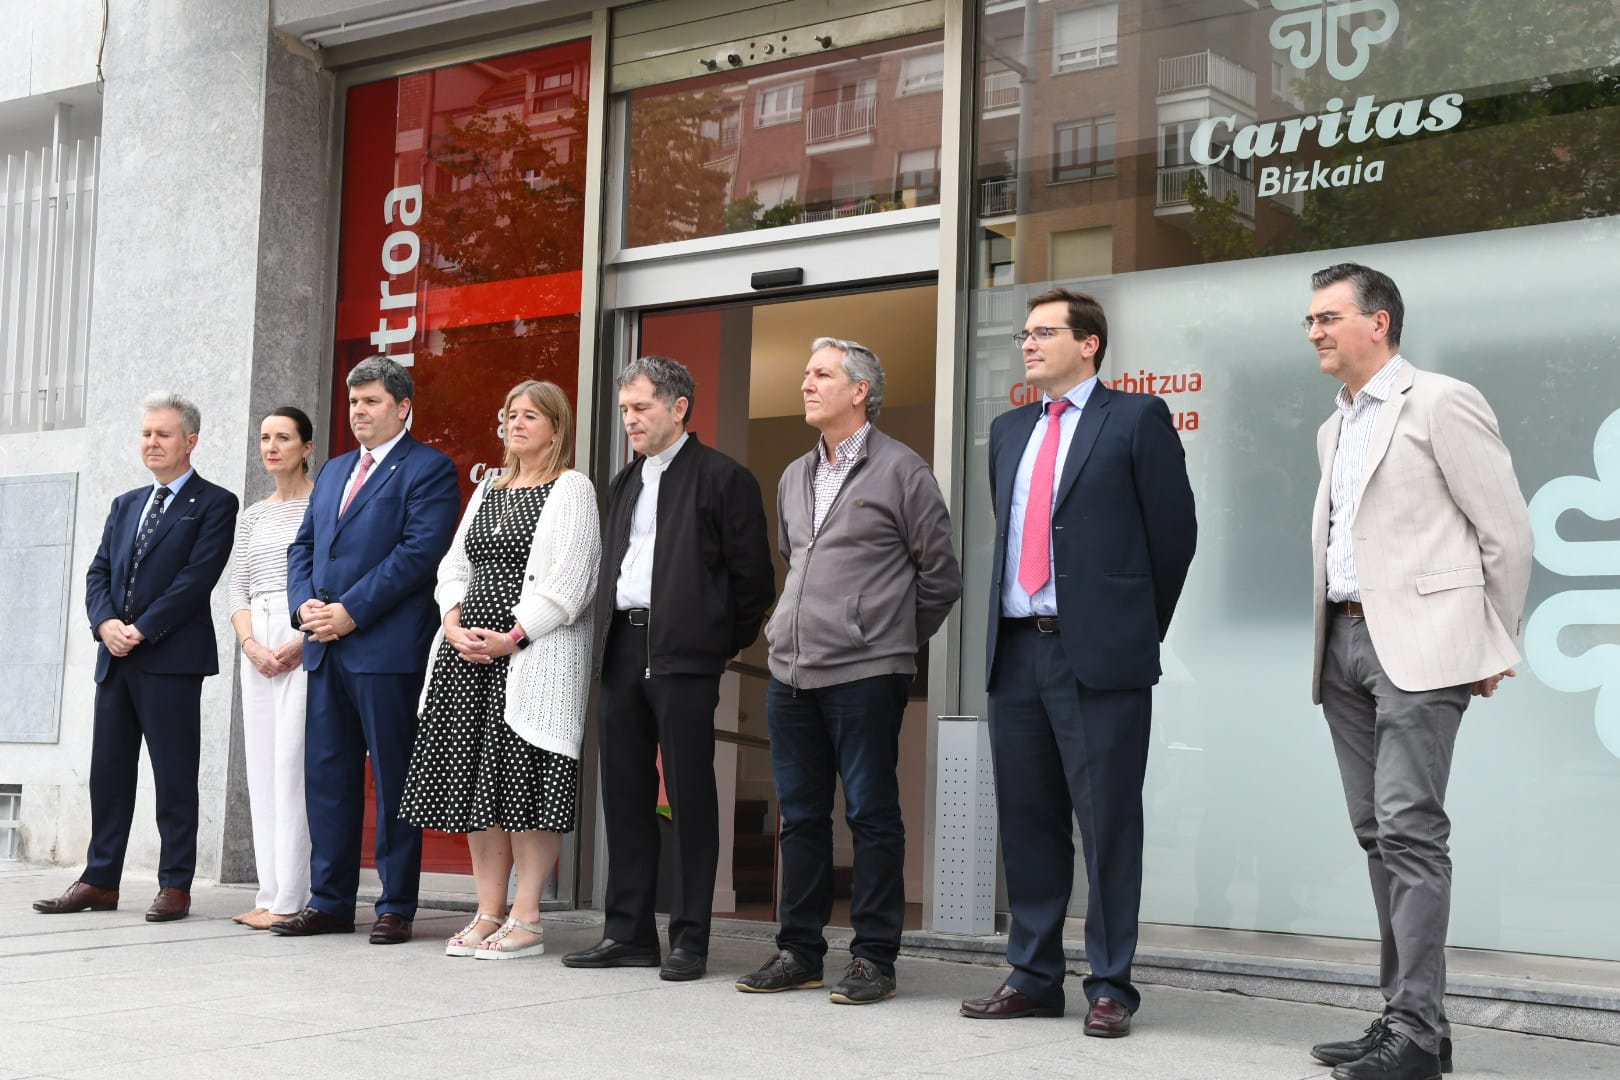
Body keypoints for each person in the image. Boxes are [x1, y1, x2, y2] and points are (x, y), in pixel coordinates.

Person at [1302, 263, 1532, 1080]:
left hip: (1422, 649)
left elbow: (1506, 531)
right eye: (1311, 320)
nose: (1315, 332)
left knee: (1410, 833)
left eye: (1329, 317)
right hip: (1344, 647)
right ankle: (1408, 1020)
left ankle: (1418, 1037)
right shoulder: (1335, 426)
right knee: (1377, 835)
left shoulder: (1440, 401)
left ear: (1380, 322)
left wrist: (1488, 641)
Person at [960, 289, 1196, 1036]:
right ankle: (1033, 974)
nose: (1027, 344)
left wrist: (1129, 629)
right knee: (1028, 820)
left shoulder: (1135, 419)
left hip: (1098, 656)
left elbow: (1174, 537)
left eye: (1044, 333)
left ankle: (1111, 985)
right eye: (1025, 334)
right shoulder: (1006, 431)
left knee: (1107, 823)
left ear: (1089, 343)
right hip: (1018, 650)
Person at [737, 338, 961, 1005]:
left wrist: (885, 639)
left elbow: (940, 576)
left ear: (860, 389)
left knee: (870, 813)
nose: (806, 383)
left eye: (822, 374)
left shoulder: (903, 470)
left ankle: (874, 958)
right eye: (805, 372)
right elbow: (793, 560)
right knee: (801, 817)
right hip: (791, 672)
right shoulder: (794, 475)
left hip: (866, 672)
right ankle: (799, 951)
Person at [562, 356, 774, 982]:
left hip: (683, 654)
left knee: (687, 795)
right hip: (621, 648)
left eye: (641, 407)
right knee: (624, 795)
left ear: (679, 407)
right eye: (625, 409)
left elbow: (753, 582)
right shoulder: (623, 481)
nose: (629, 419)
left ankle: (690, 938)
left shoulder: (723, 478)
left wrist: (712, 642)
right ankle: (627, 933)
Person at [400, 380, 600, 960]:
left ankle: (528, 918)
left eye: (530, 416)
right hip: (466, 657)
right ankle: (488, 912)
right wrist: (454, 621)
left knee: (525, 785)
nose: (515, 424)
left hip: (529, 659)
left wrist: (514, 637)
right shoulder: (489, 485)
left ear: (556, 428)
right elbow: (453, 568)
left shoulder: (571, 488)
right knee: (473, 789)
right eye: (509, 414)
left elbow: (574, 579)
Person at [274, 356, 459, 945]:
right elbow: (303, 547)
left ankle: (397, 904)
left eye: (372, 401)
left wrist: (351, 611)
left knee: (396, 778)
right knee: (327, 777)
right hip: (324, 647)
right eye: (354, 402)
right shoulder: (330, 471)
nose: (359, 412)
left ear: (402, 407)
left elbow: (418, 553)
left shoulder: (429, 469)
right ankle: (329, 901)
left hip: (384, 649)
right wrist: (304, 607)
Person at [35, 393, 239, 922]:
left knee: (174, 777)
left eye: (163, 434)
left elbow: (195, 581)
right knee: (108, 774)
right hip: (117, 659)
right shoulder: (127, 503)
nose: (151, 442)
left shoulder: (215, 503)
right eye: (146, 433)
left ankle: (175, 885)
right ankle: (100, 880)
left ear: (190, 441)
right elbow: (100, 571)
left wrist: (142, 630)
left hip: (170, 660)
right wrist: (105, 625)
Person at [227, 407, 316, 930]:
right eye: (264, 437)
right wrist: (249, 644)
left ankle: (292, 897)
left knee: (291, 768)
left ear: (307, 447)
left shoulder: (320, 504)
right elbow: (236, 587)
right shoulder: (253, 515)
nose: (272, 446)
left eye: (283, 437)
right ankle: (269, 891)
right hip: (256, 638)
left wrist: (302, 640)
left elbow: (325, 577)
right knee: (261, 768)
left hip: (299, 633)